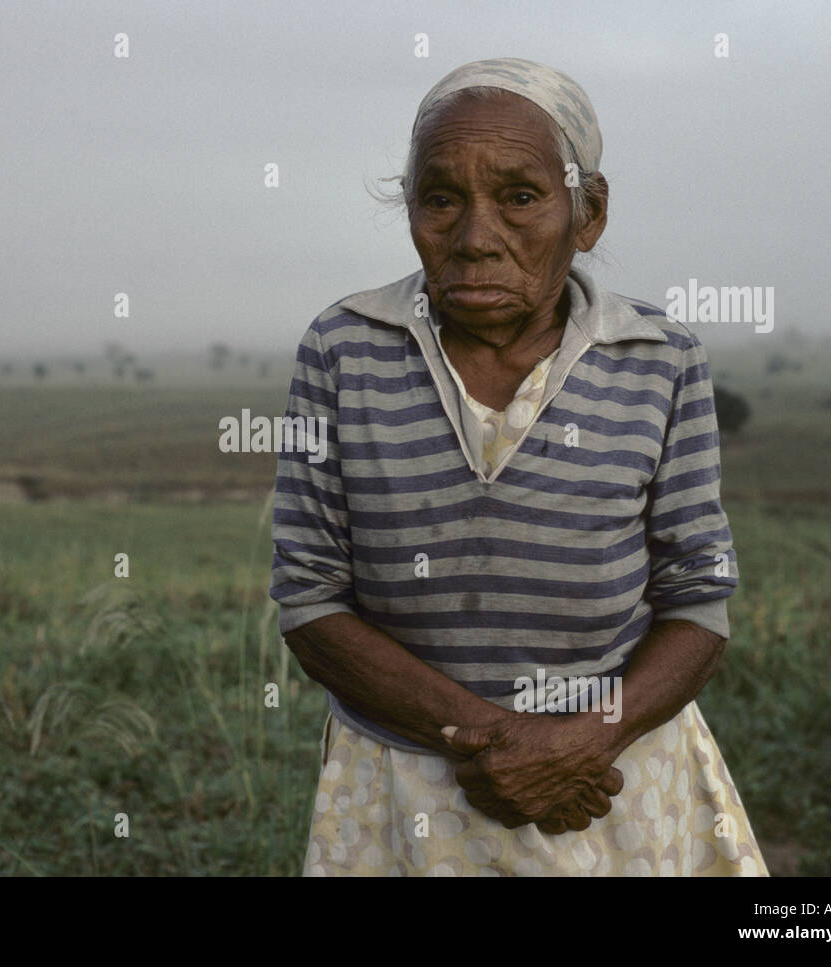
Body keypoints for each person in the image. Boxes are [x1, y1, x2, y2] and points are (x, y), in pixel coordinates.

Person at [269, 58, 767, 876]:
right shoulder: (343, 349)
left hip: (609, 781)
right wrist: (492, 743)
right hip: (410, 785)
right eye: (440, 199)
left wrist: (580, 740)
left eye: (521, 197)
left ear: (589, 212)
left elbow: (698, 603)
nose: (475, 237)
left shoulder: (659, 358)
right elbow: (310, 597)